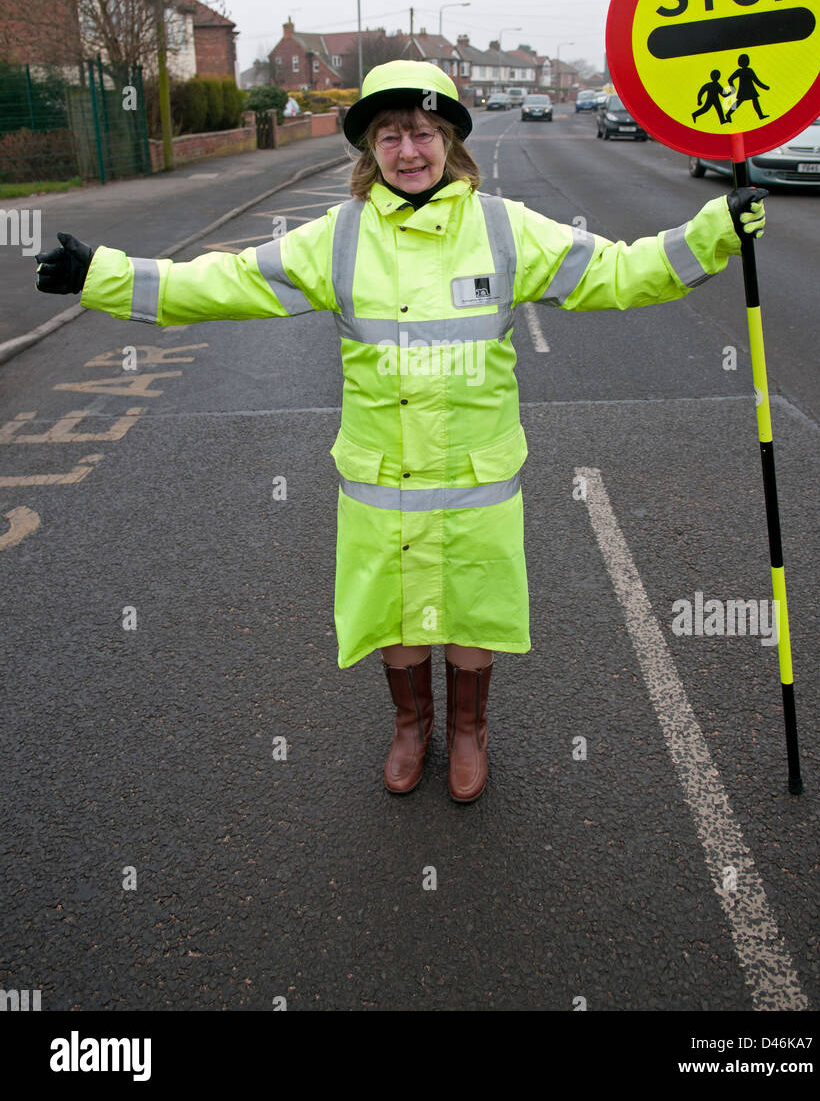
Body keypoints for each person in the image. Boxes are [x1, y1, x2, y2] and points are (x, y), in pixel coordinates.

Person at [35, 60, 766, 804]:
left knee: (473, 605)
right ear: (368, 151)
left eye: (420, 132)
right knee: (395, 608)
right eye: (389, 136)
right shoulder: (339, 236)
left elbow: (616, 271)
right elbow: (224, 283)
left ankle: (471, 732)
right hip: (380, 476)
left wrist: (714, 232)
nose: (407, 151)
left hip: (474, 474)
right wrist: (104, 275)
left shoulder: (502, 227)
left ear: (448, 139)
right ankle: (411, 725)